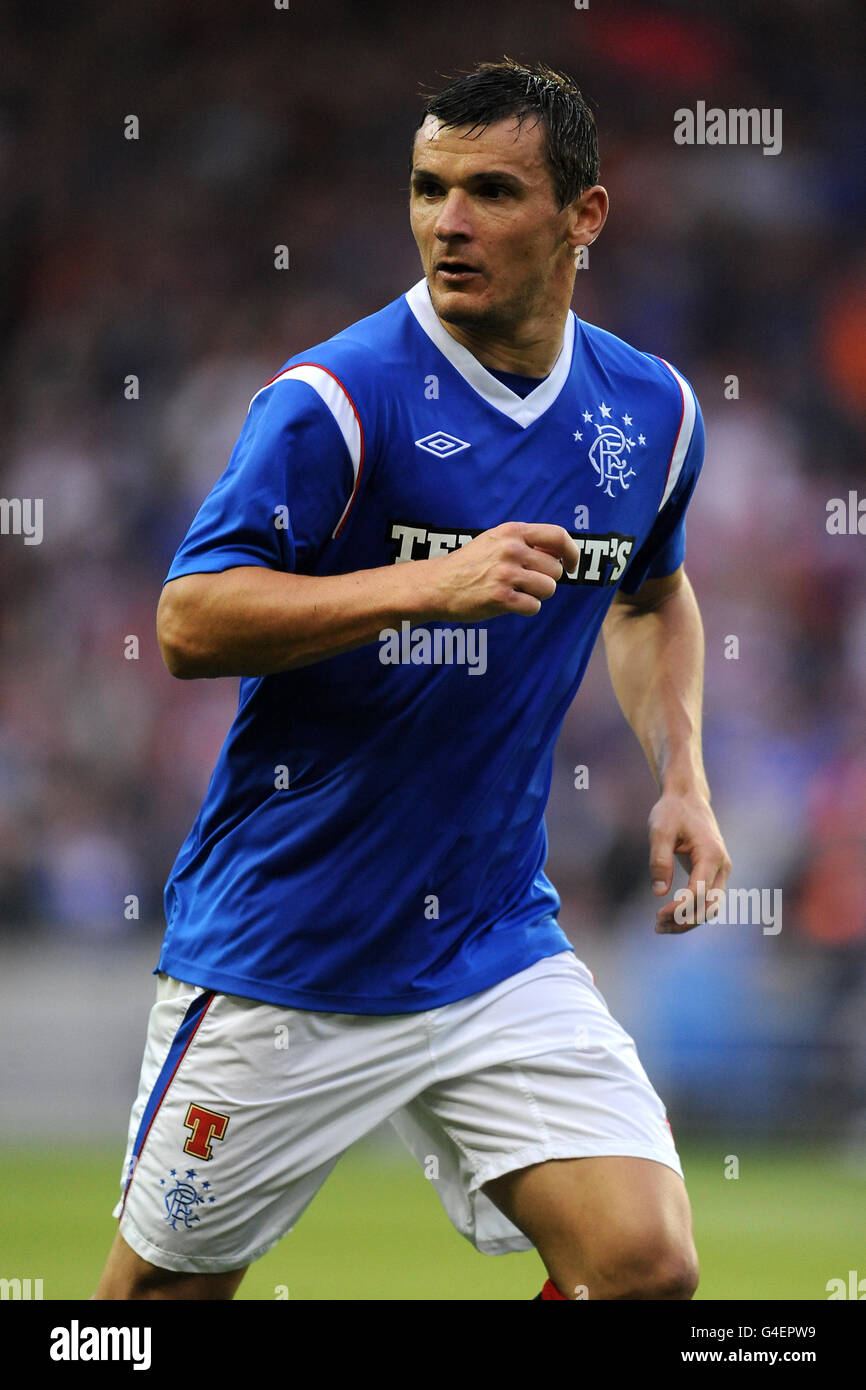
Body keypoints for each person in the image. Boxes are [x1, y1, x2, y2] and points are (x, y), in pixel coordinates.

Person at [95, 59, 731, 1302]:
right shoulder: (336, 397)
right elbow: (186, 618)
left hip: (490, 936)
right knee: (144, 1318)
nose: (449, 222)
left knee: (644, 1264)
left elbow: (649, 594)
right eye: (428, 189)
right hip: (289, 947)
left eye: (492, 191)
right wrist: (418, 585)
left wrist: (684, 777)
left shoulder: (649, 413)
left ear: (582, 217)